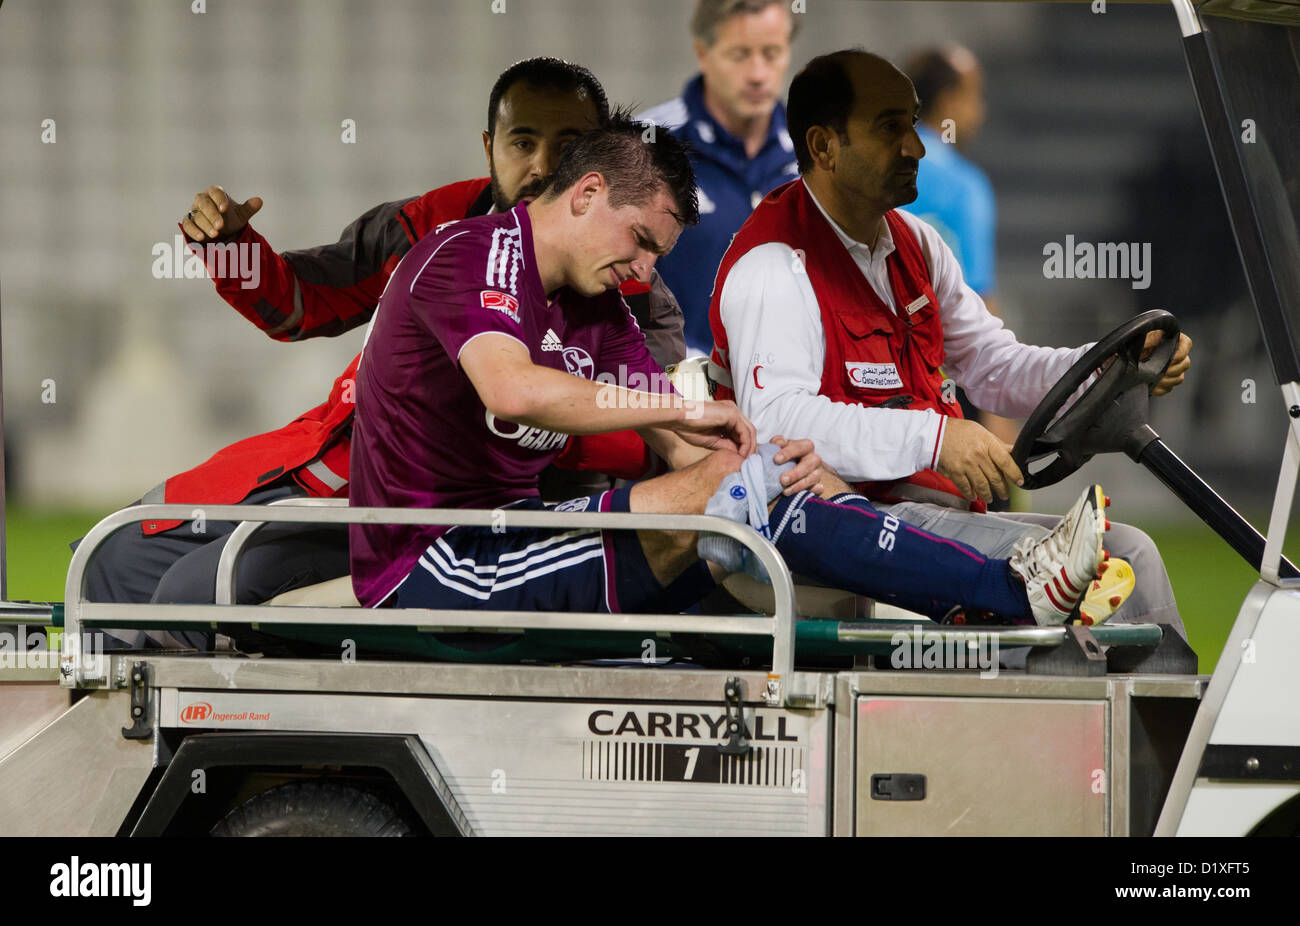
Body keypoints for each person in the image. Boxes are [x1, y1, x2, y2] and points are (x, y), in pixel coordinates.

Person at [351, 111, 1122, 629]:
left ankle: (1004, 595)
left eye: (657, 254)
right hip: (438, 561)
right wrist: (693, 421)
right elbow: (511, 389)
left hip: (514, 539)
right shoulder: (475, 252)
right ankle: (1011, 592)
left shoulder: (598, 307)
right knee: (740, 489)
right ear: (587, 193)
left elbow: (683, 445)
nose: (643, 269)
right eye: (640, 240)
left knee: (758, 480)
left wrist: (775, 463)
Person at [82, 58, 682, 648]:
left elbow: (638, 433)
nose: (542, 163)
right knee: (116, 554)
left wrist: (527, 416)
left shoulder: (624, 284)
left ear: (595, 164)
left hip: (472, 511)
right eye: (521, 141)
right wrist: (230, 248)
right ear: (489, 146)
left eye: (567, 141)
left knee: (196, 590)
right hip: (332, 464)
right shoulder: (436, 223)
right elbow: (303, 303)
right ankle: (126, 740)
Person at [709, 49, 1193, 632]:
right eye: (890, 128)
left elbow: (994, 364)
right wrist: (936, 439)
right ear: (823, 147)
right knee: (1120, 561)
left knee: (1132, 552)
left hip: (929, 512)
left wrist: (1103, 366)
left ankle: (1161, 721)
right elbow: (777, 426)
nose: (916, 147)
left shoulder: (914, 244)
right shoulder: (774, 265)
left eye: (912, 123)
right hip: (858, 525)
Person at [639, 0, 800, 353]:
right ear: (702, 53)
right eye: (740, 55)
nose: (758, 74)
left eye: (771, 53)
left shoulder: (815, 151)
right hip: (678, 391)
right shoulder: (648, 145)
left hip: (792, 395)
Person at [904, 45, 1019, 476]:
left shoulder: (877, 171)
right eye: (975, 96)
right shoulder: (964, 185)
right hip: (948, 374)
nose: (981, 111)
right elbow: (979, 295)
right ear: (950, 101)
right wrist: (998, 405)